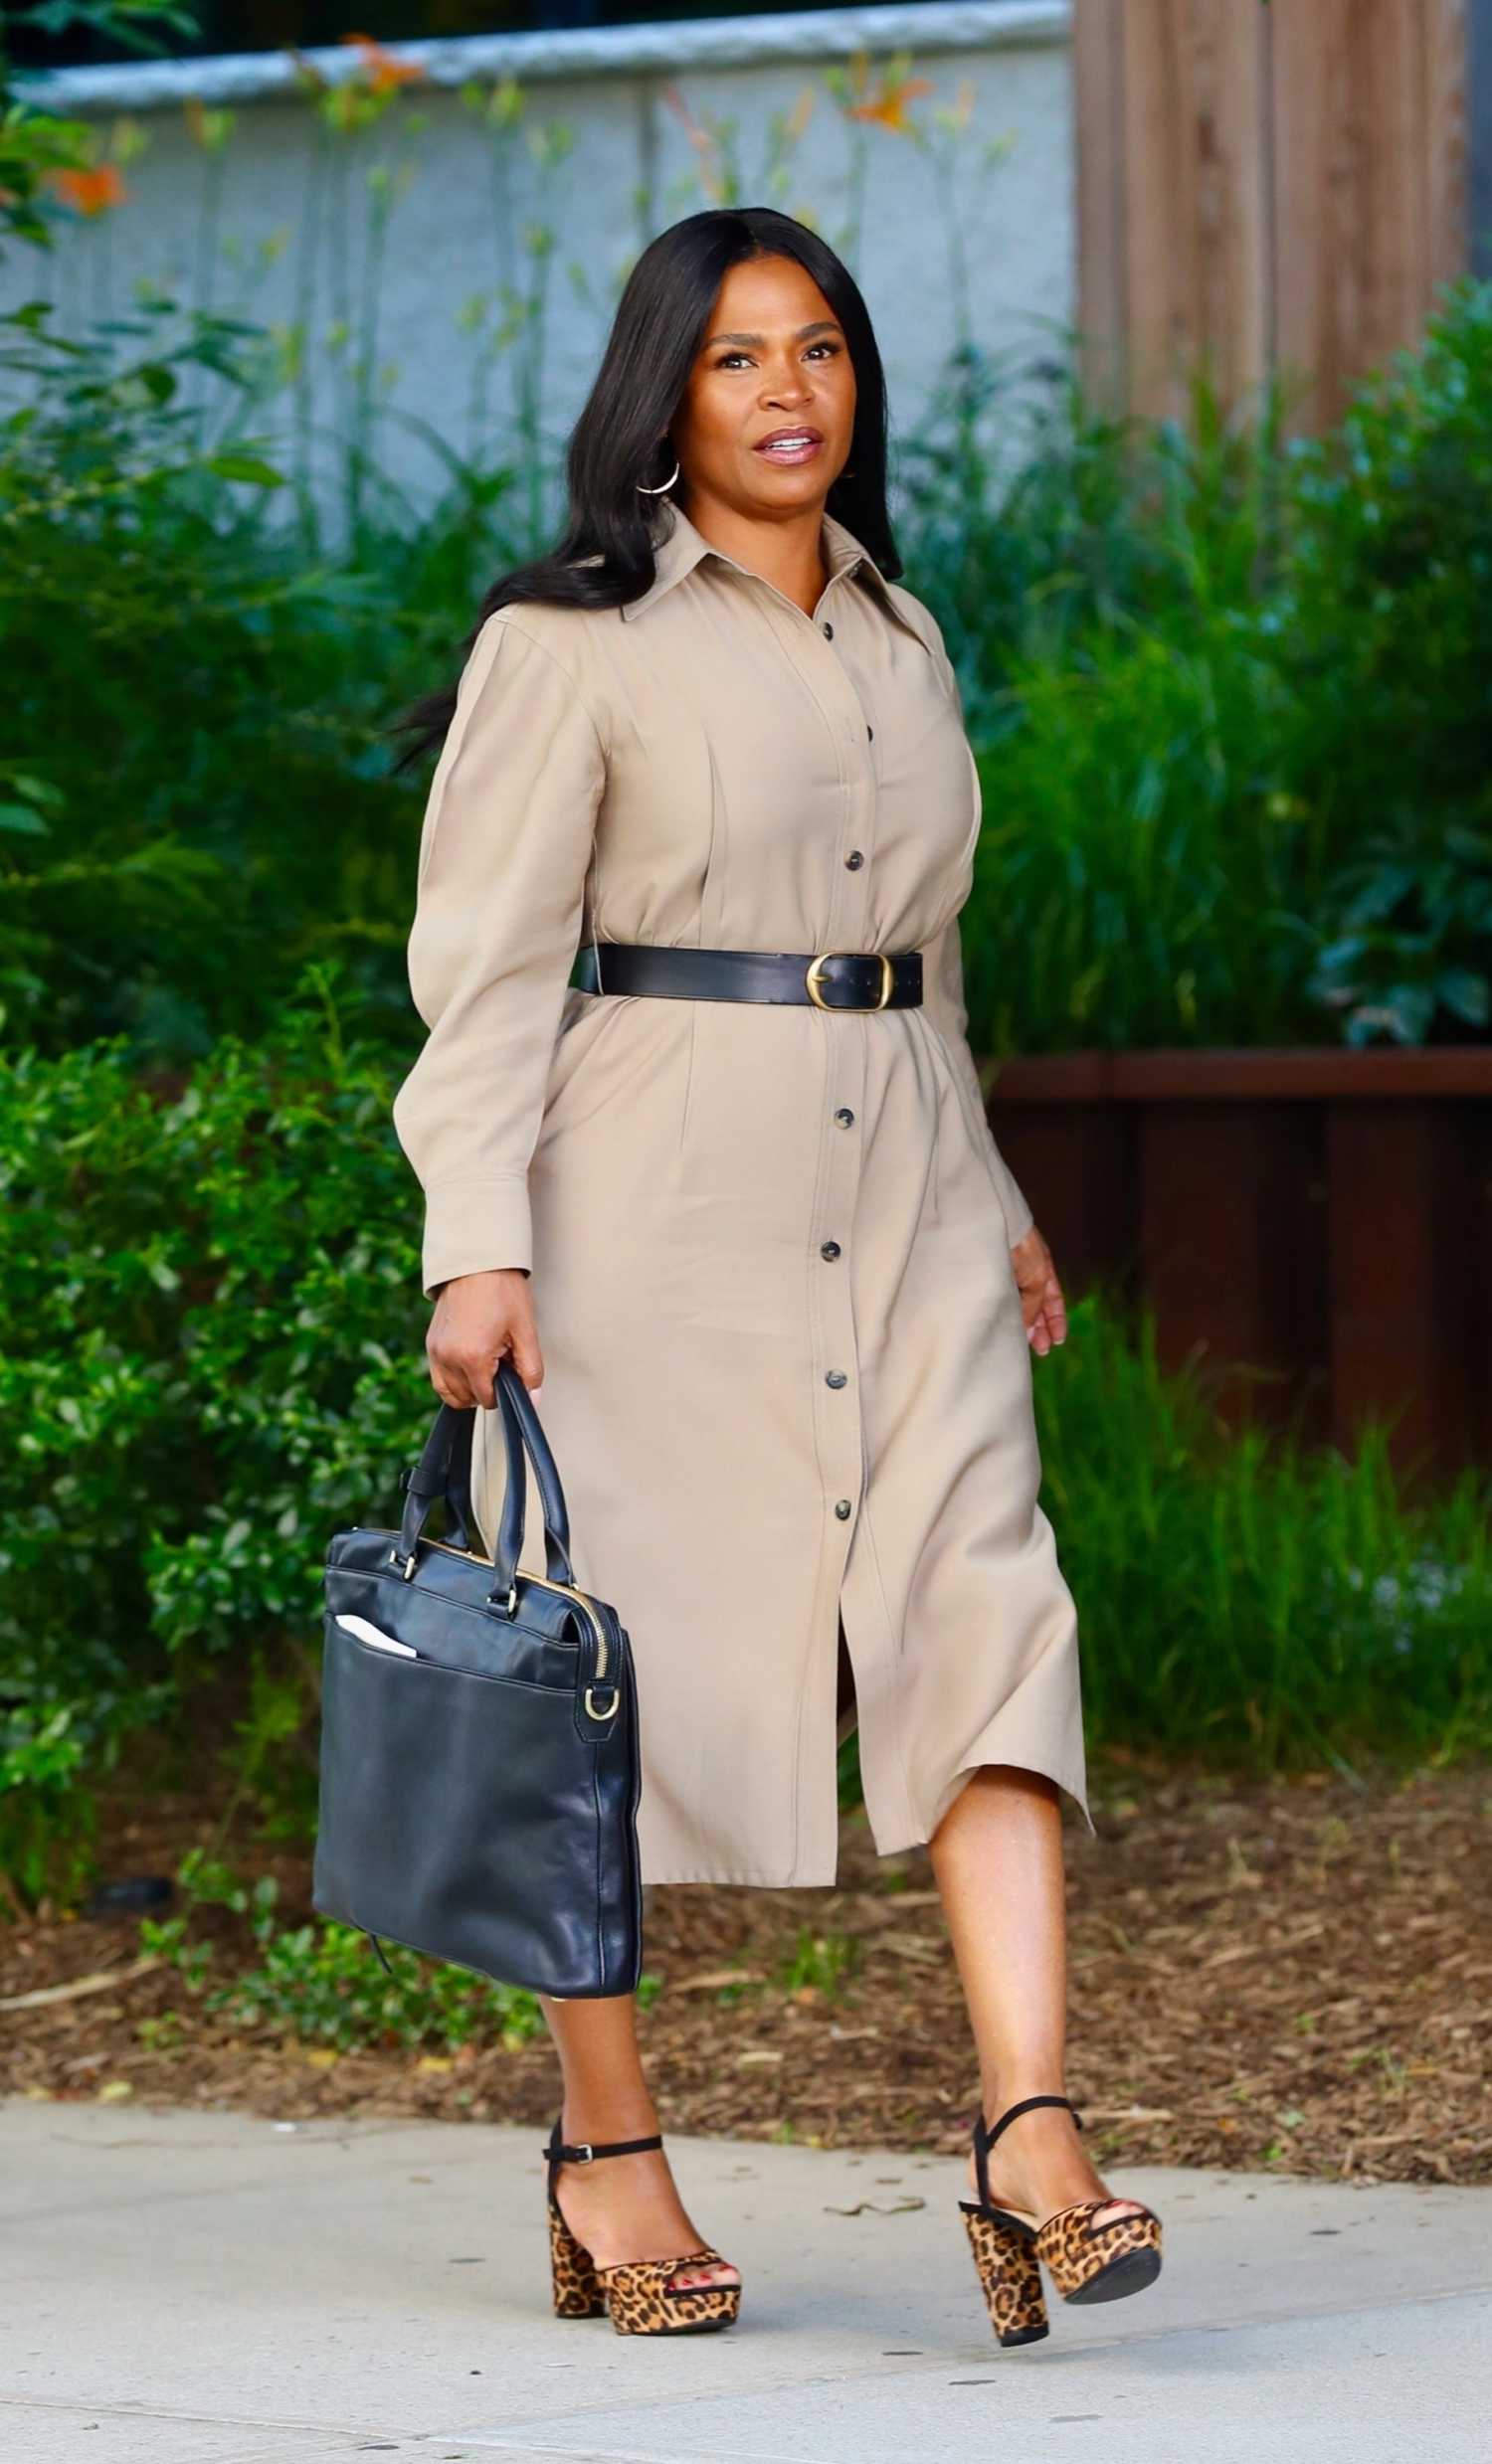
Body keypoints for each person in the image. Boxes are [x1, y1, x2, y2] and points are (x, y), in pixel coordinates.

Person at [388, 206, 1161, 2342]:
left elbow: (929, 960)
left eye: (820, 346)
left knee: (989, 1607)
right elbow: (486, 971)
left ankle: (1030, 2129)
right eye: (738, 356)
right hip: (649, 1199)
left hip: (911, 1184)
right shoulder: (569, 642)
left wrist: (995, 1190)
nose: (790, 389)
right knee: (601, 1676)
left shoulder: (905, 634)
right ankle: (607, 2152)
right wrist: (478, 1243)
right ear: (666, 393)